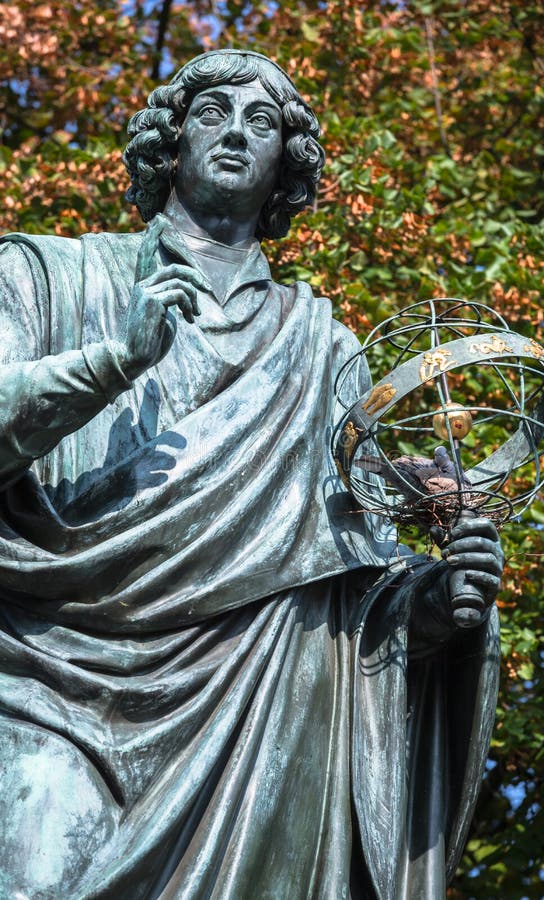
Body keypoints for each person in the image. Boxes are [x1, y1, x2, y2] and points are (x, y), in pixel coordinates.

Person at [0, 50, 503, 899]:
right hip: (56, 675)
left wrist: (432, 605)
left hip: (263, 705)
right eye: (212, 112)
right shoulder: (46, 275)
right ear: (170, 140)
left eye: (262, 120)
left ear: (284, 167)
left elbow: (349, 584)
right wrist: (113, 360)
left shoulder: (325, 352)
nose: (235, 130)